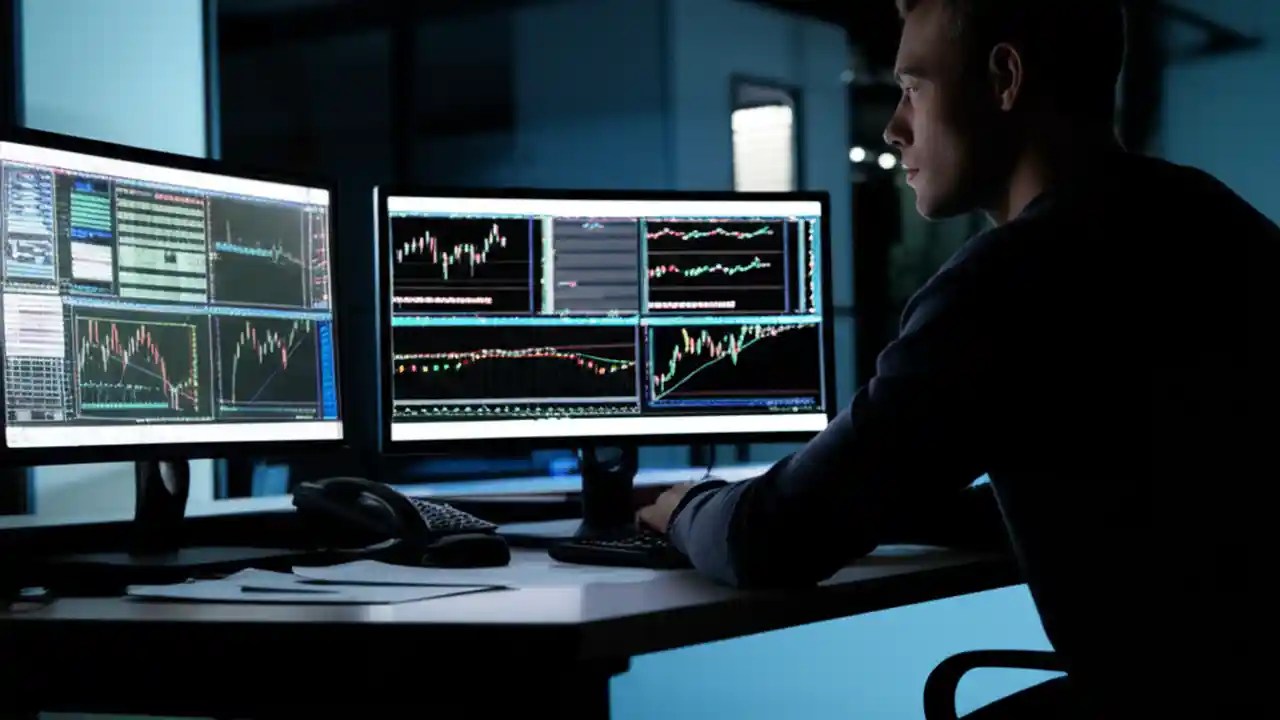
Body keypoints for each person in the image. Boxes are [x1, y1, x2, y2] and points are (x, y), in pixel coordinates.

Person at [638, 0, 1277, 716]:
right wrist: (884, 506)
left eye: (913, 89)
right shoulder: (1210, 216)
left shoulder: (1008, 283)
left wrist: (689, 507)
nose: (893, 128)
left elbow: (771, 542)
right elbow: (1135, 491)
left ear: (1005, 78)